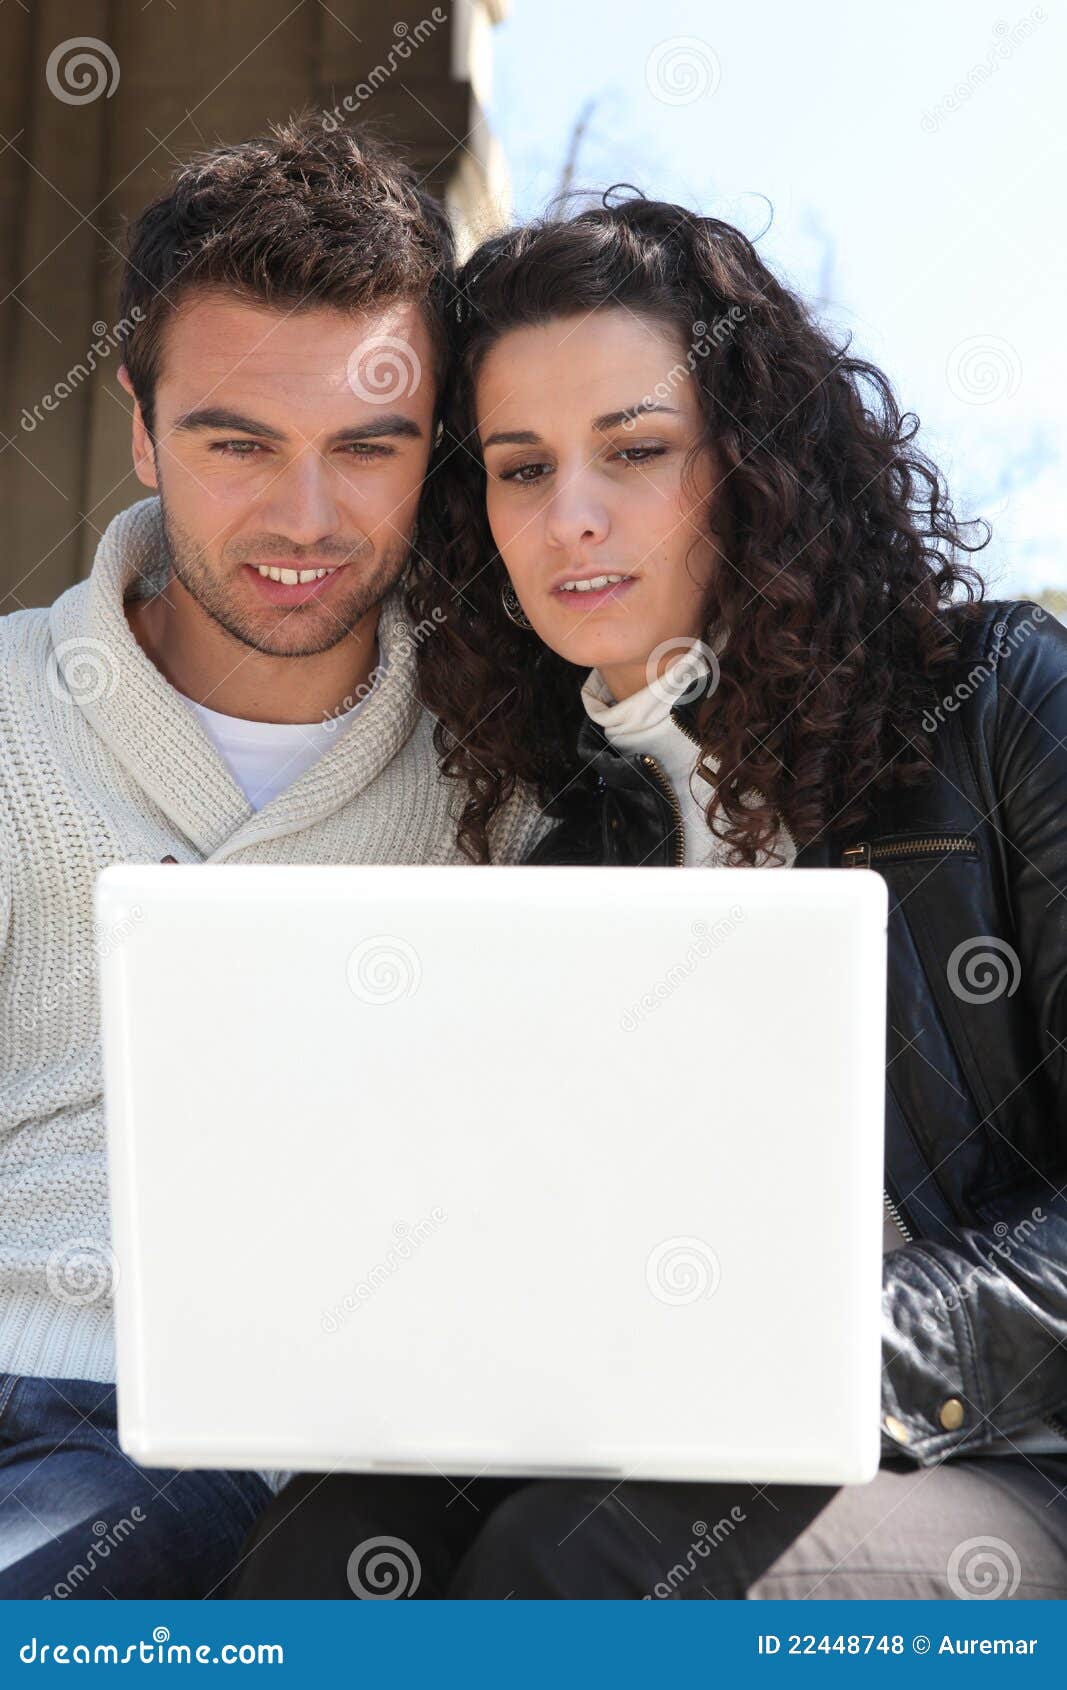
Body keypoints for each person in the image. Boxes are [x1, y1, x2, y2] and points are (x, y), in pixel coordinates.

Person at [231, 194, 1067, 1599]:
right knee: (329, 1546)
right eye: (519, 467)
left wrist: (820, 1341)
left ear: (755, 462)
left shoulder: (1003, 706)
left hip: (999, 1447)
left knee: (588, 1564)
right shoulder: (563, 824)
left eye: (637, 451)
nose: (572, 518)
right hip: (662, 1425)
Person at [0, 113, 547, 1600]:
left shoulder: (513, 770)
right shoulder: (7, 721)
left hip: (197, 1450)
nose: (303, 519)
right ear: (137, 421)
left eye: (365, 448)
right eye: (237, 441)